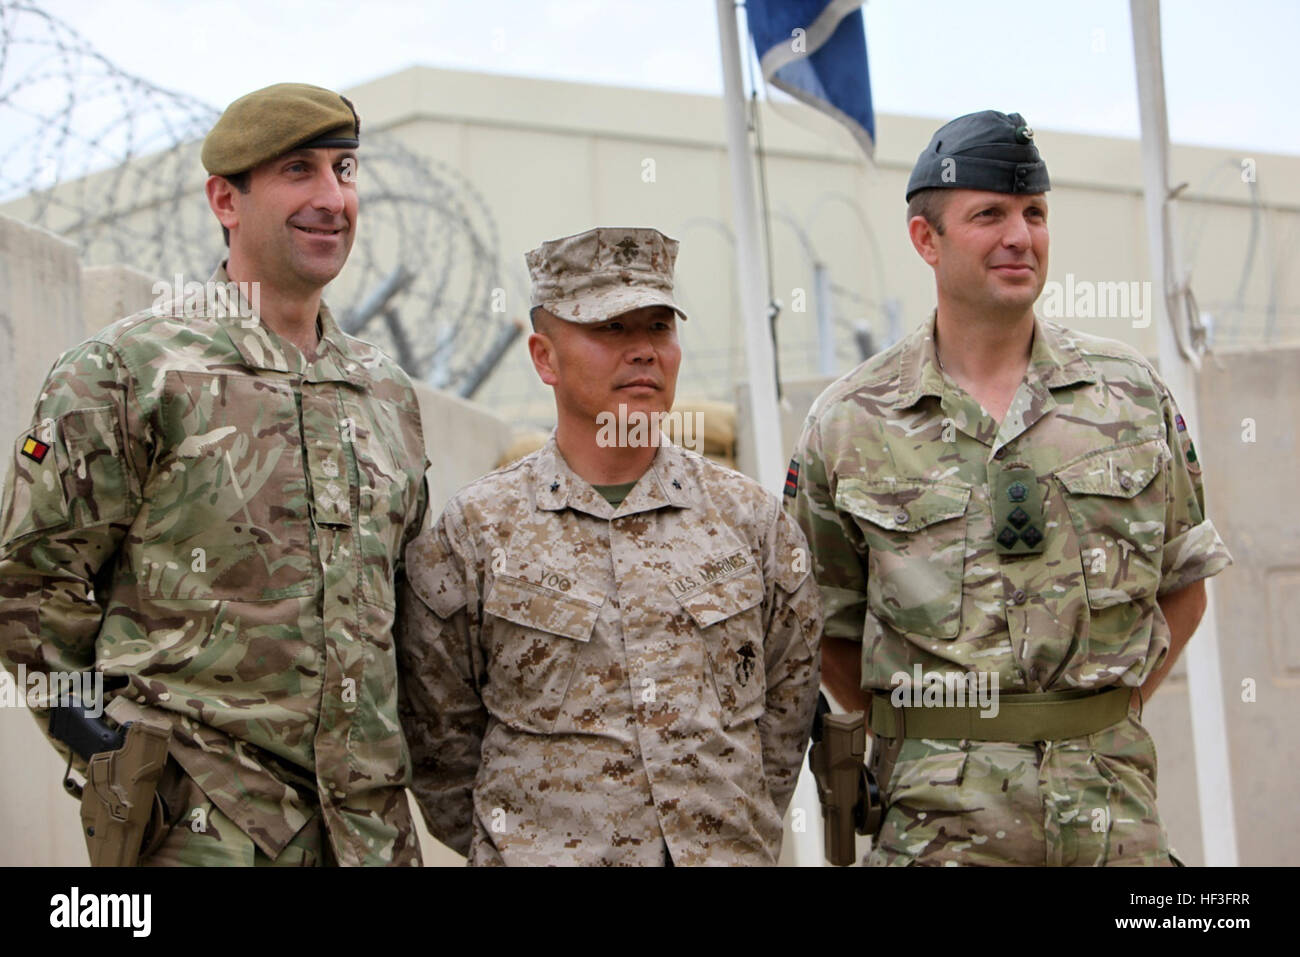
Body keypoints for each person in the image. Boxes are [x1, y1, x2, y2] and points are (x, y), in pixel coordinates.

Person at [0, 83, 430, 866]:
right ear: (225, 200)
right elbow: (28, 585)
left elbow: (406, 608)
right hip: (204, 832)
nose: (333, 198)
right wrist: (104, 747)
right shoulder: (129, 371)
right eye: (299, 170)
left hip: (368, 838)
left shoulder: (385, 394)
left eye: (346, 169)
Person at [789, 110, 1232, 866]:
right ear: (926, 240)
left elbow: (1183, 582)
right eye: (988, 214)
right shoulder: (851, 420)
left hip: (1110, 819)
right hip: (936, 828)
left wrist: (1103, 711)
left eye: (1034, 213)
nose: (1019, 236)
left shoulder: (1128, 394)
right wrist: (937, 735)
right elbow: (828, 627)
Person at [397, 226, 822, 865]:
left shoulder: (751, 522)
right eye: (612, 330)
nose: (644, 351)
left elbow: (787, 717)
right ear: (545, 357)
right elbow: (438, 744)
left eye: (658, 327)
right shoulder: (477, 533)